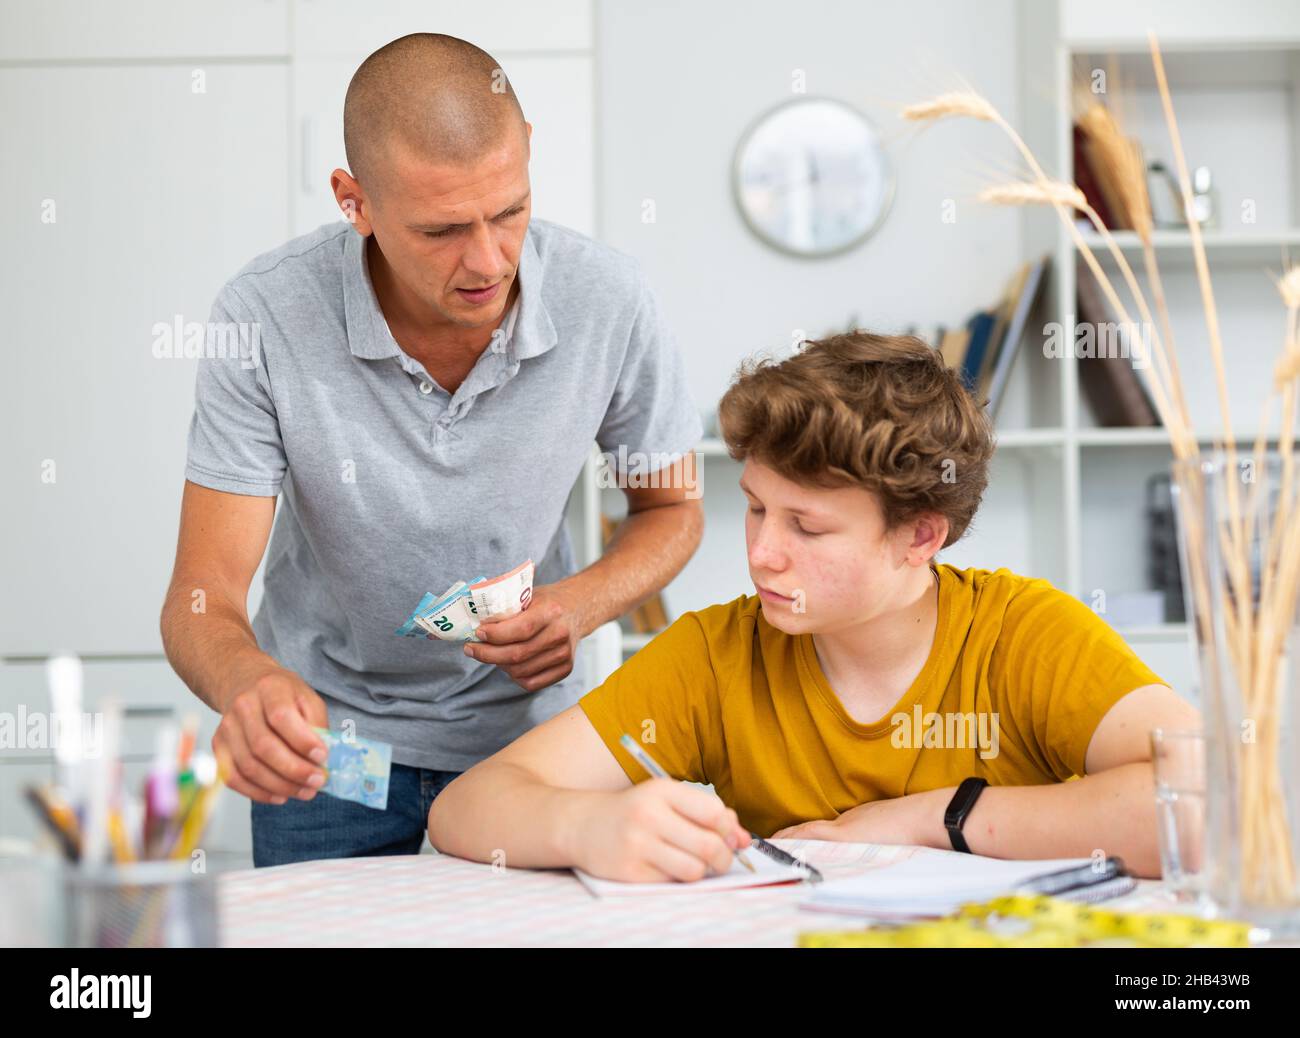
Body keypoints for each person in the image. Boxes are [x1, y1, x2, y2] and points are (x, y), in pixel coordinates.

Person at [160, 34, 704, 866]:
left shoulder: (610, 299)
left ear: (528, 154)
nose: (488, 261)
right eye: (442, 229)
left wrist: (582, 603)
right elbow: (202, 593)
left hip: (531, 746)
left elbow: (673, 508)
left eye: (510, 211)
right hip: (335, 753)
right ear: (356, 201)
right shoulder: (263, 316)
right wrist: (246, 681)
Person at [427, 331, 1200, 881]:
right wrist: (589, 825)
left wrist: (932, 820)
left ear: (919, 536)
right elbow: (466, 808)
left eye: (808, 526)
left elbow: (1202, 807)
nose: (763, 552)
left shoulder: (1025, 633)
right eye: (758, 509)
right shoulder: (717, 653)